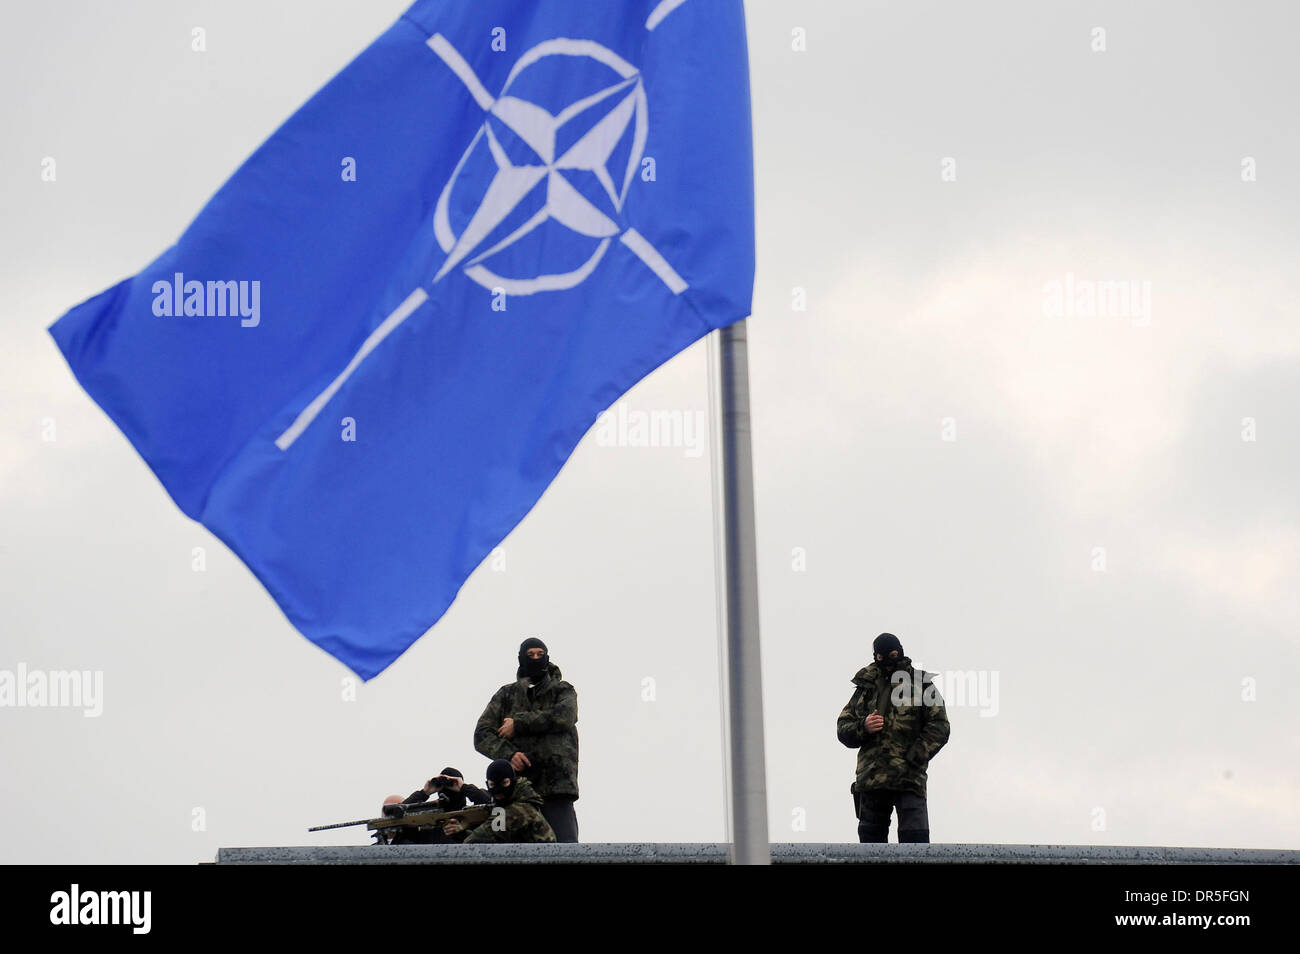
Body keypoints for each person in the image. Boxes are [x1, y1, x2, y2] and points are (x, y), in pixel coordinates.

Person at [837, 632, 951, 843]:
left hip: (909, 777)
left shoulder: (921, 684)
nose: (887, 663)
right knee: (870, 848)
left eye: (892, 656)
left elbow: (940, 725)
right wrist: (863, 726)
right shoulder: (866, 687)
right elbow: (843, 727)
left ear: (899, 652)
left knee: (915, 845)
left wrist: (916, 755)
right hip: (872, 779)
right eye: (881, 658)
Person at [473, 638, 580, 842]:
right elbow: (481, 734)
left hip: (555, 788)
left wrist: (518, 723)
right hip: (513, 791)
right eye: (530, 655)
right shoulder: (506, 695)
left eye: (540, 654)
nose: (535, 658)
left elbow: (565, 716)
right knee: (500, 848)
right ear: (521, 659)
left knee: (565, 851)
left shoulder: (563, 690)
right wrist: (509, 755)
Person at [441, 759, 556, 843]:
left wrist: (465, 788)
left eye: (504, 783)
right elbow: (493, 840)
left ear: (513, 782)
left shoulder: (520, 809)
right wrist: (460, 833)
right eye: (492, 785)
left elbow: (478, 839)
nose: (498, 790)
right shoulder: (505, 809)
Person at [376, 767, 490, 845]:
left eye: (451, 784)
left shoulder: (473, 817)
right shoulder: (428, 821)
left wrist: (465, 787)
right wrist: (424, 793)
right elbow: (397, 816)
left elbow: (496, 808)